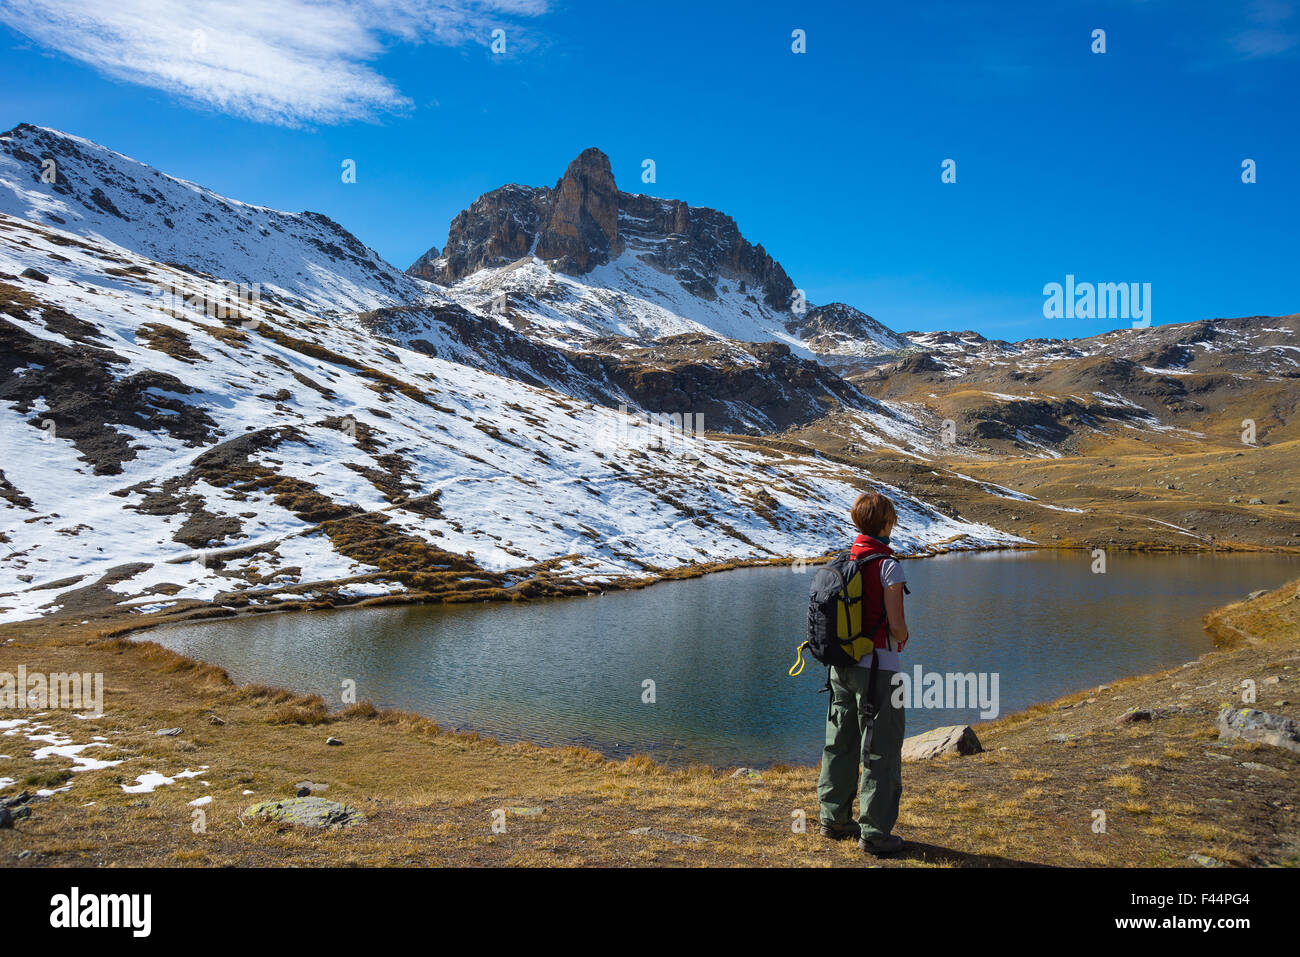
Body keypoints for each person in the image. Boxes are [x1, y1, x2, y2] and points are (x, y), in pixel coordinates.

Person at [817, 491, 909, 856]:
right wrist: (902, 635)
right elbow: (897, 628)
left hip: (841, 667)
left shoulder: (844, 560)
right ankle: (874, 834)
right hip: (880, 671)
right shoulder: (888, 565)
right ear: (886, 523)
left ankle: (833, 818)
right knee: (881, 749)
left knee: (840, 741)